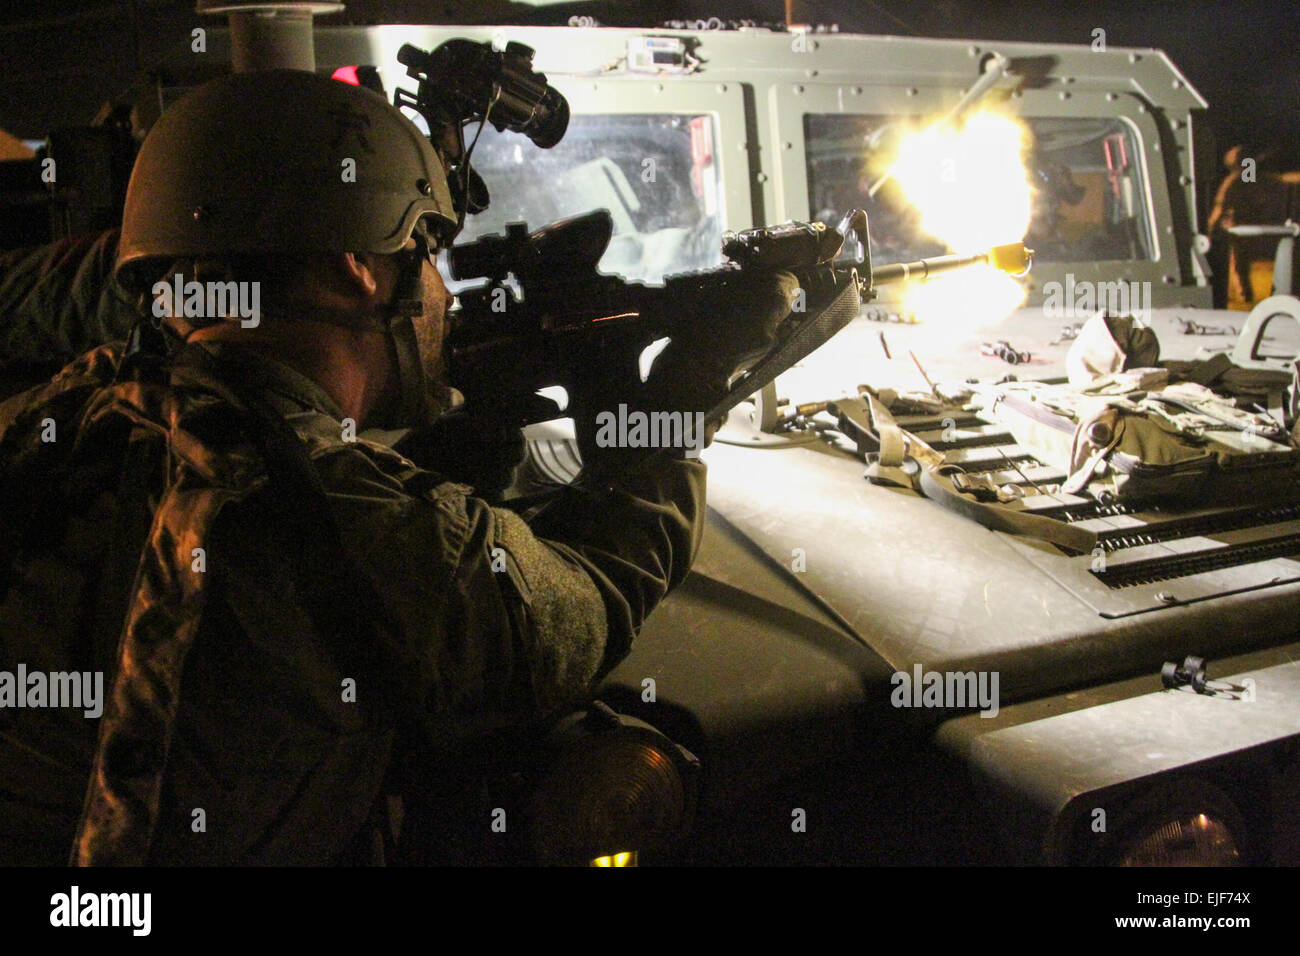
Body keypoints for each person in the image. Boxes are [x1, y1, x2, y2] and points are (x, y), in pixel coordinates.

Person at [0, 69, 793, 865]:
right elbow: (594, 600)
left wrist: (455, 450)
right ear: (359, 264)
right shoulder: (382, 531)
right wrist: (684, 403)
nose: (444, 292)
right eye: (429, 249)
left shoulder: (58, 419)